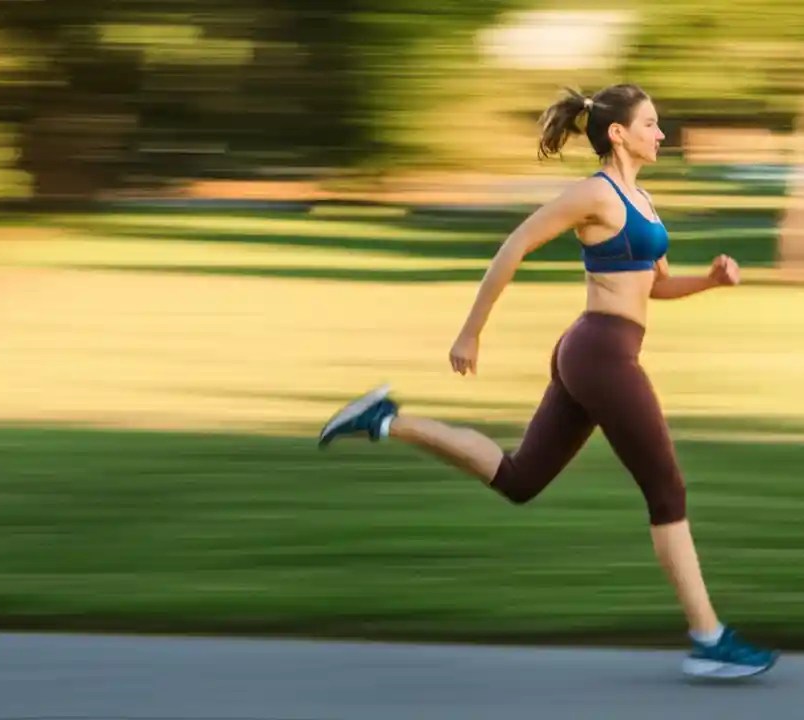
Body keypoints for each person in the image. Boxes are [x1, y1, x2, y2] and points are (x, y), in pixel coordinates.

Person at [317, 84, 779, 680]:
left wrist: (711, 281)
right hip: (601, 355)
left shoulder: (643, 199)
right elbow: (515, 246)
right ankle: (709, 639)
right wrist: (470, 332)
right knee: (668, 492)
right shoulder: (595, 193)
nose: (660, 134)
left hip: (593, 353)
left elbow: (655, 286)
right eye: (651, 124)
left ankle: (384, 420)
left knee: (519, 479)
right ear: (618, 133)